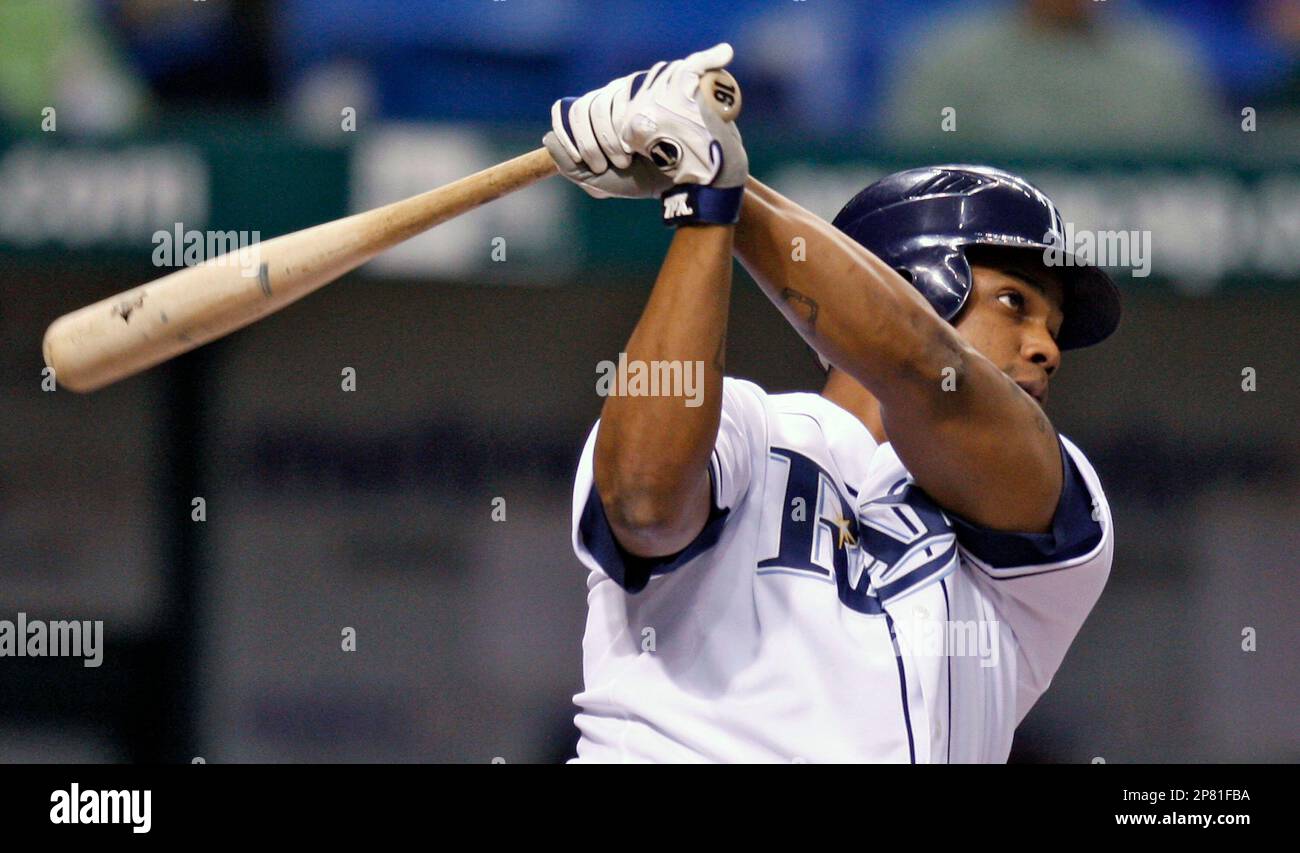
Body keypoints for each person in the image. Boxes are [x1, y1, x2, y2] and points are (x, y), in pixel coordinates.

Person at [544, 44, 1120, 763]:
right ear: (913, 282)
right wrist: (704, 202)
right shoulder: (742, 421)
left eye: (1054, 330)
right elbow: (644, 504)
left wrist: (718, 180)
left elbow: (924, 368)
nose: (1047, 349)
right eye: (1016, 303)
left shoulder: (1060, 522)